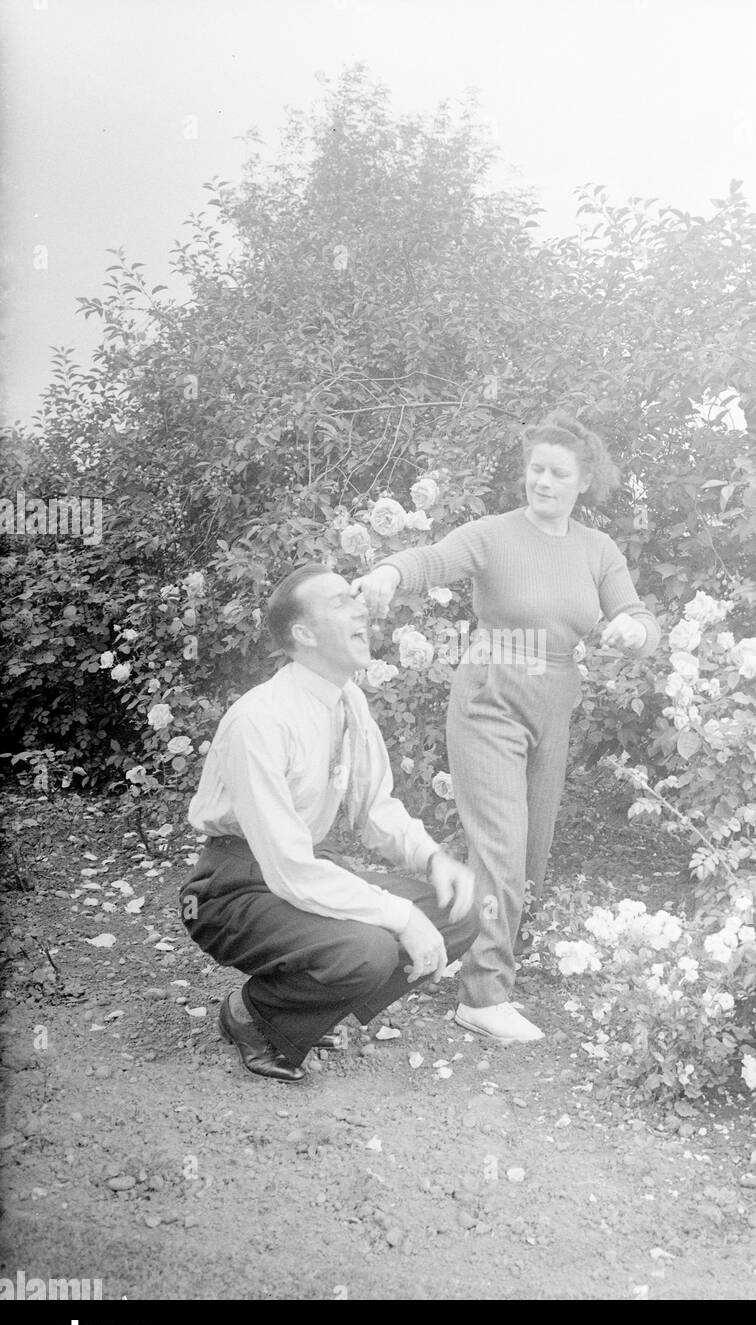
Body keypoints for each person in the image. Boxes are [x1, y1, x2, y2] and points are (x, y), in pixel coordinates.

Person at [353, 410, 661, 1042]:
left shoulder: (597, 550)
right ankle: (483, 995)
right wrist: (388, 571)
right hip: (490, 695)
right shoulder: (493, 535)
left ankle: (420, 939)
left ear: (583, 482)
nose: (543, 482)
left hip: (555, 703)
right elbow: (432, 560)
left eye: (558, 473)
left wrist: (636, 631)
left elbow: (635, 615)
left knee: (530, 857)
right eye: (535, 470)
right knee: (503, 844)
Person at [178, 563, 479, 1082]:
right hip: (229, 889)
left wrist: (433, 859)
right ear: (304, 634)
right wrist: (399, 916)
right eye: (341, 602)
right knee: (369, 947)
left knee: (456, 912)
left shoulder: (348, 701)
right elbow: (289, 867)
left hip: (295, 870)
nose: (361, 607)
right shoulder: (261, 719)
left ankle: (316, 1012)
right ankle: (254, 1013)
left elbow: (375, 808)